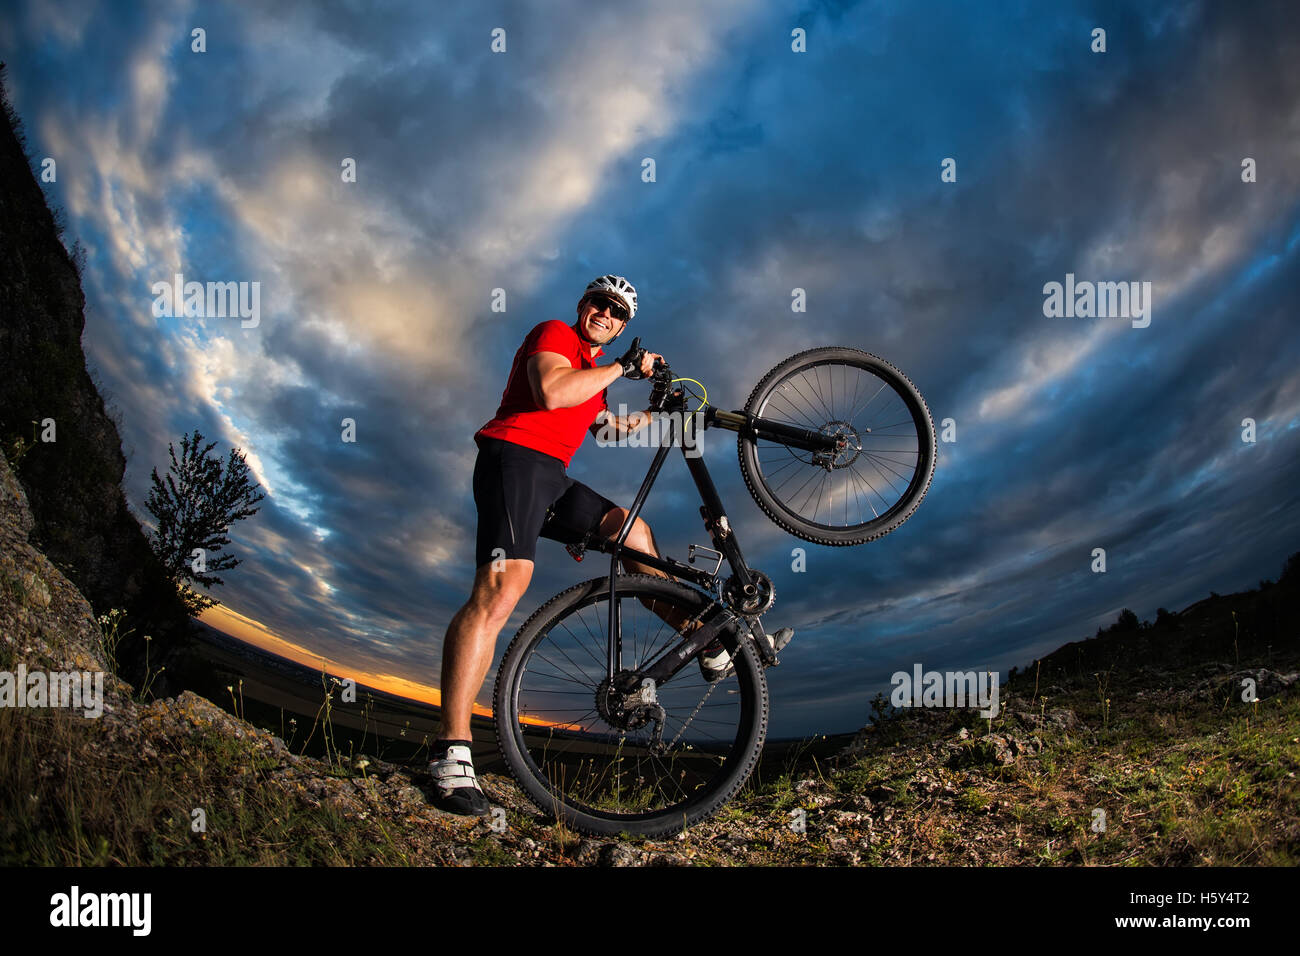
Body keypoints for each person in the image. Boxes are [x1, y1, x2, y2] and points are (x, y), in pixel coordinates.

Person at [429, 275, 791, 816]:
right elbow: (552, 392)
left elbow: (608, 429)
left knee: (635, 536)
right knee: (502, 591)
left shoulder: (592, 375)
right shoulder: (555, 334)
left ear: (623, 323)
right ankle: (451, 755)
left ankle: (706, 643)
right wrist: (625, 365)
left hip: (552, 476)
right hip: (514, 460)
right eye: (601, 304)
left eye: (619, 312)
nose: (607, 314)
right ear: (583, 306)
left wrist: (661, 415)